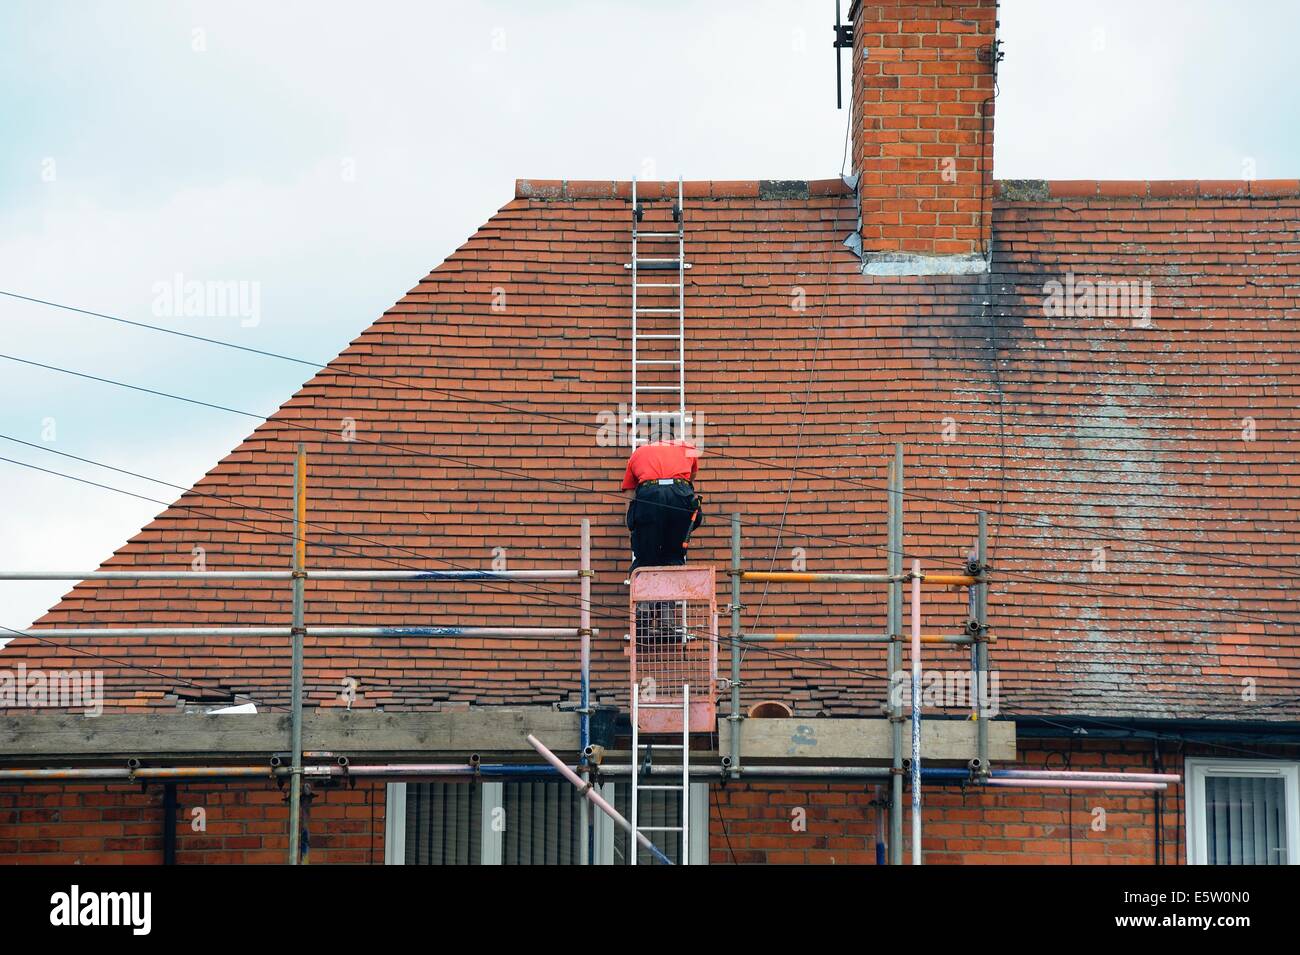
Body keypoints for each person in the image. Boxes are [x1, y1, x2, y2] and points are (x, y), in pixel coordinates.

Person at [621, 421, 703, 571]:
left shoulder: (638, 453)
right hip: (680, 495)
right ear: (673, 438)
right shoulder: (687, 447)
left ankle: (644, 569)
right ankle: (675, 564)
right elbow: (690, 479)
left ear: (651, 440)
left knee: (646, 552)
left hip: (649, 495)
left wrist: (631, 523)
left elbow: (629, 492)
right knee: (674, 551)